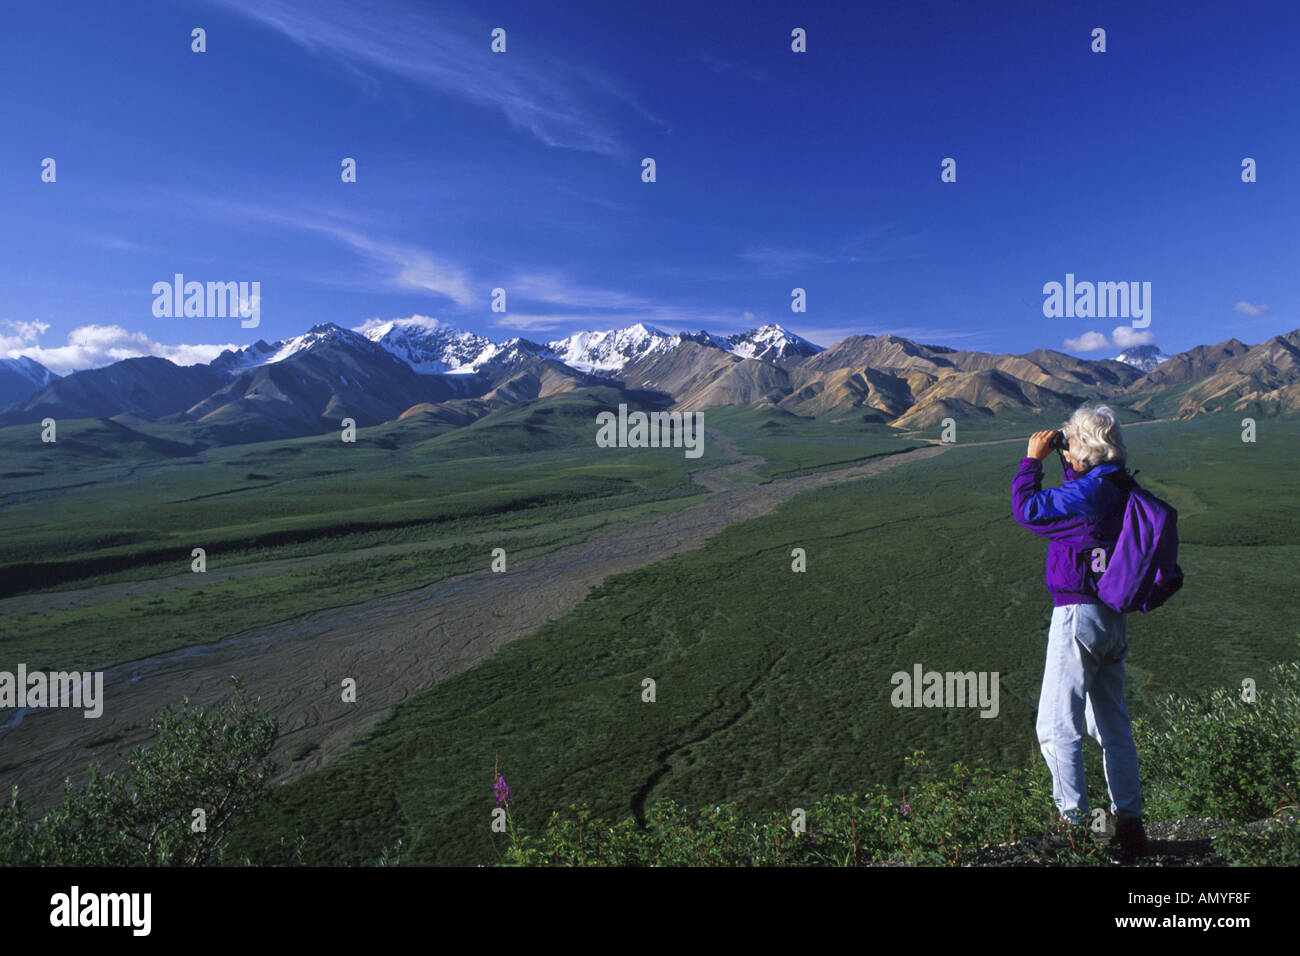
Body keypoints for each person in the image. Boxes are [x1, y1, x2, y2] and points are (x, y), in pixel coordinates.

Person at [1010, 405, 1148, 860]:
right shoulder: (1118, 485)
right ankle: (1130, 825)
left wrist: (1033, 462)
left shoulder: (1090, 495)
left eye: (1072, 442)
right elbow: (1086, 505)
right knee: (1111, 725)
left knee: (1055, 727)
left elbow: (1029, 511)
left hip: (1077, 616)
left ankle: (1076, 829)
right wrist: (1073, 462)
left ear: (1086, 448)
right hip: (1113, 616)